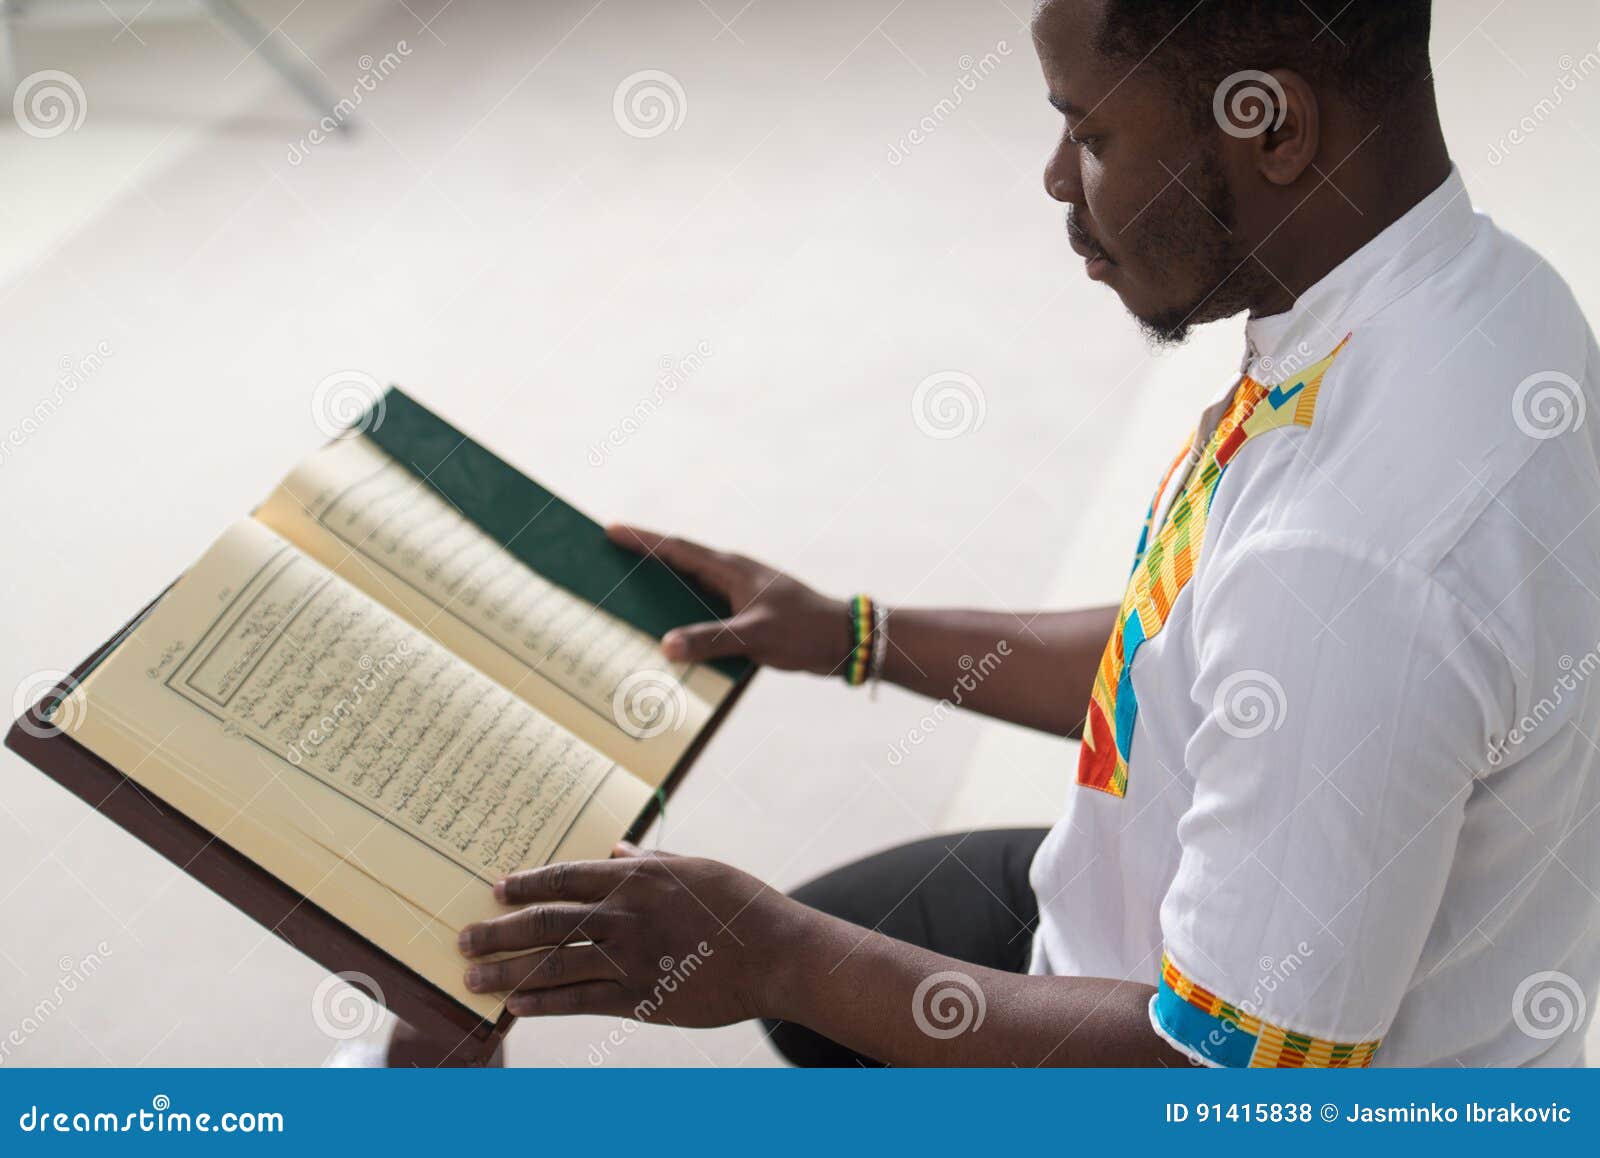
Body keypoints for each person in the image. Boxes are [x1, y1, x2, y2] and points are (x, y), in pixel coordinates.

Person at [455, 0, 1600, 1066]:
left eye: (1090, 135)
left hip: (1177, 1055)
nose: (1057, 180)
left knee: (799, 974)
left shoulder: (1344, 559)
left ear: (1273, 126)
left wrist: (777, 956)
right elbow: (1212, 656)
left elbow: (1215, 1078)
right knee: (828, 963)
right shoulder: (1495, 295)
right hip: (1150, 917)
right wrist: (853, 633)